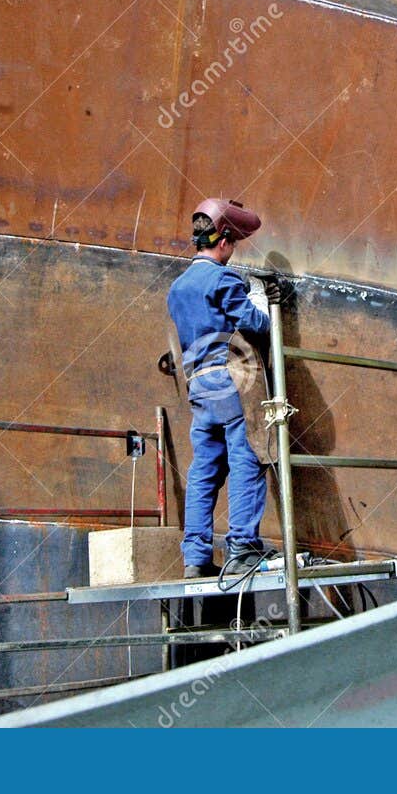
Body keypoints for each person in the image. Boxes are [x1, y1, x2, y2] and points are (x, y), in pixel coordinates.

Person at [165, 197, 277, 580]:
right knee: (248, 458)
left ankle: (195, 556)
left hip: (198, 386)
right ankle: (242, 548)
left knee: (205, 470)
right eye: (234, 245)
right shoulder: (223, 278)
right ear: (223, 241)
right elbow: (257, 325)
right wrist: (261, 299)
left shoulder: (177, 288)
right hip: (231, 382)